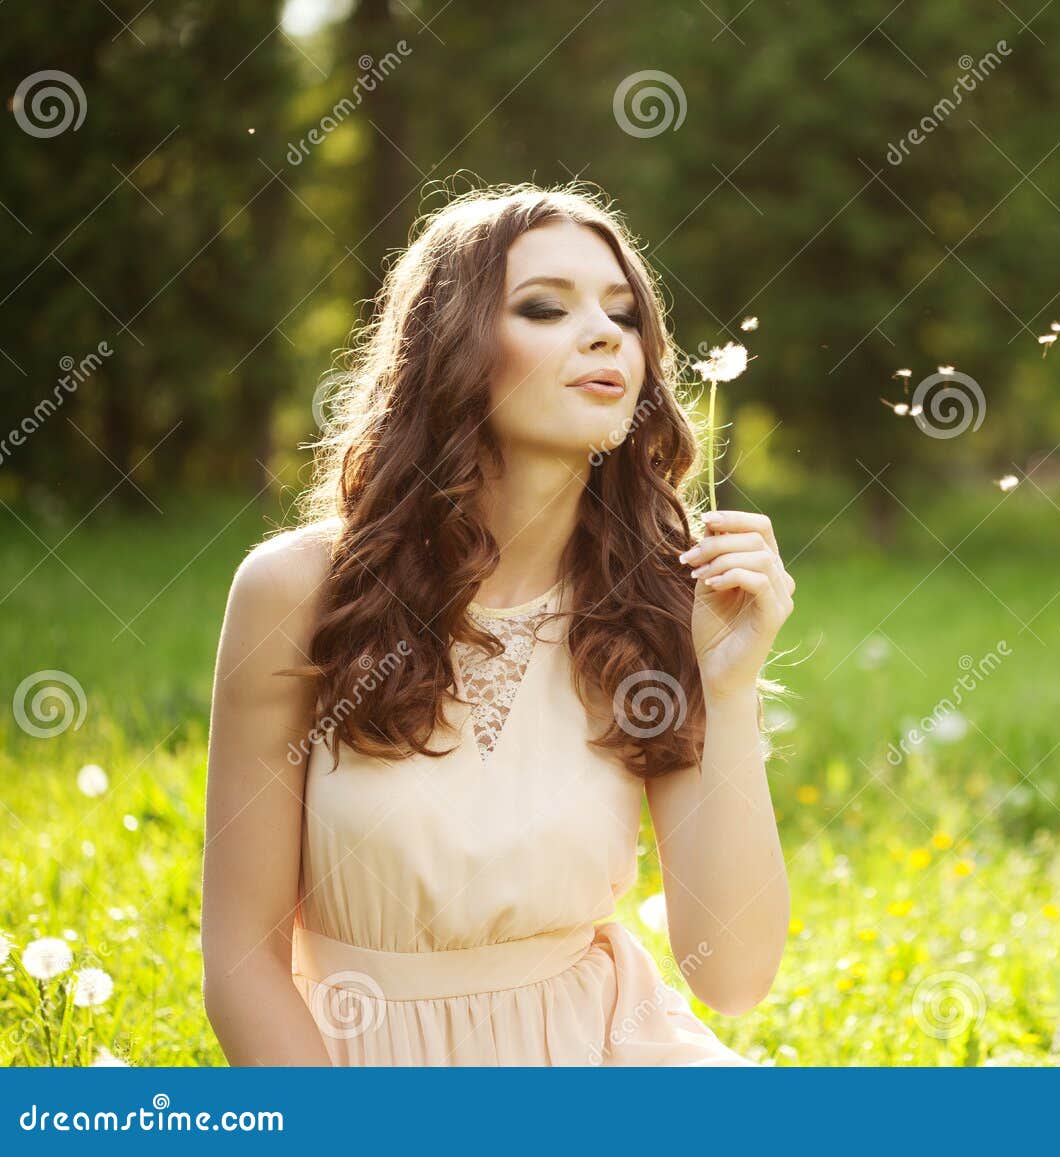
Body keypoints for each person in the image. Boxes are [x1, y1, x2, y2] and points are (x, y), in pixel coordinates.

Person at [201, 183, 795, 1065]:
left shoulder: (656, 601)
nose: (604, 335)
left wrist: (731, 687)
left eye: (624, 315)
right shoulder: (299, 591)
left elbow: (734, 975)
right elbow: (241, 960)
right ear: (452, 348)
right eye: (545, 308)